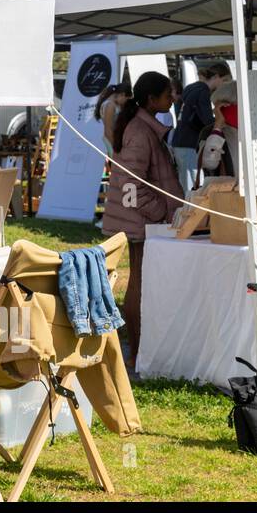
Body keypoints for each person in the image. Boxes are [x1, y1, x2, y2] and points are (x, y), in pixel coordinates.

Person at [102, 70, 182, 373]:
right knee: (137, 283)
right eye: (167, 95)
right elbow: (130, 187)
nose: (172, 99)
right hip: (140, 222)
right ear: (151, 99)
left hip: (141, 220)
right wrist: (162, 209)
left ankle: (139, 351)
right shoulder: (139, 131)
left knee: (140, 282)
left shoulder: (141, 127)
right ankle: (136, 353)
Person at [171, 62, 230, 193]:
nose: (225, 85)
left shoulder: (192, 87)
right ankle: (190, 212)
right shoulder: (203, 91)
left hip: (180, 141)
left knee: (187, 183)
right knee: (194, 186)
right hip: (189, 143)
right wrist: (221, 120)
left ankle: (187, 210)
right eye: (225, 81)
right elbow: (207, 121)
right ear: (215, 77)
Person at [97, 83, 130, 155]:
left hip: (113, 139)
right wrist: (115, 148)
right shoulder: (110, 105)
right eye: (127, 100)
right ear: (123, 95)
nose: (126, 103)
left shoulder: (113, 104)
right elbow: (108, 129)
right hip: (111, 140)